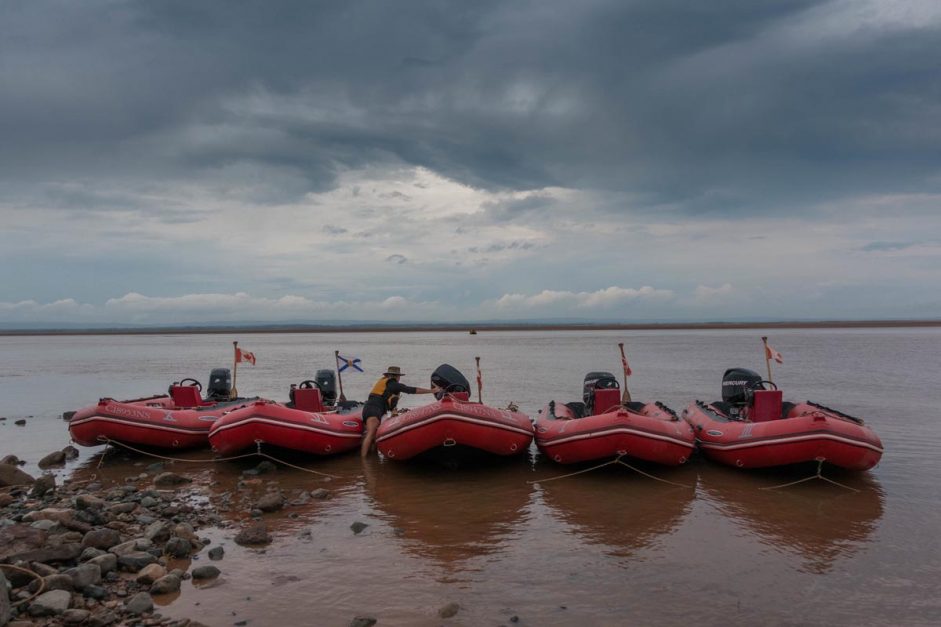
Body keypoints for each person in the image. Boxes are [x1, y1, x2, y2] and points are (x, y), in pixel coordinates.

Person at [360, 366, 438, 457]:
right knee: (371, 433)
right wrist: (432, 391)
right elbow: (411, 390)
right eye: (398, 376)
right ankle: (364, 463)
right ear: (396, 376)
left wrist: (394, 414)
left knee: (373, 437)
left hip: (372, 408)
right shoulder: (392, 384)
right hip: (373, 409)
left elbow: (391, 405)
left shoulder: (386, 384)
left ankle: (373, 460)